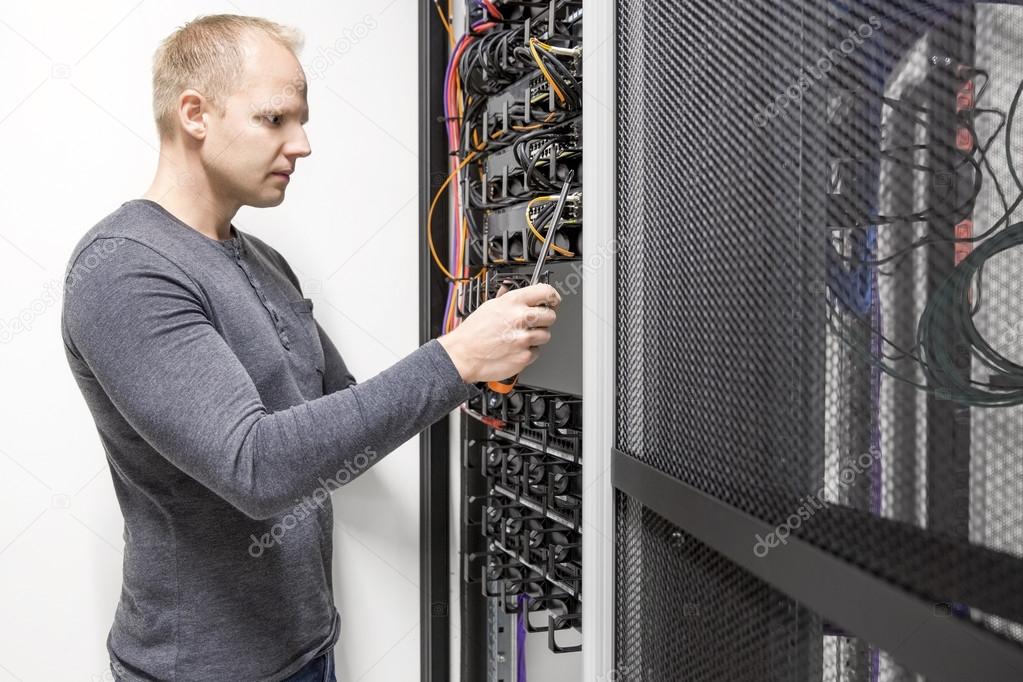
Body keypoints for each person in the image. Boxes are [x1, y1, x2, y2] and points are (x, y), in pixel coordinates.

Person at [59, 14, 559, 682]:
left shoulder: (263, 261)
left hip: (306, 647)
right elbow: (257, 469)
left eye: (301, 120)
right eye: (275, 119)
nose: (302, 144)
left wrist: (474, 360)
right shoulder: (125, 270)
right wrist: (455, 359)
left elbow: (340, 432)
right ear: (194, 114)